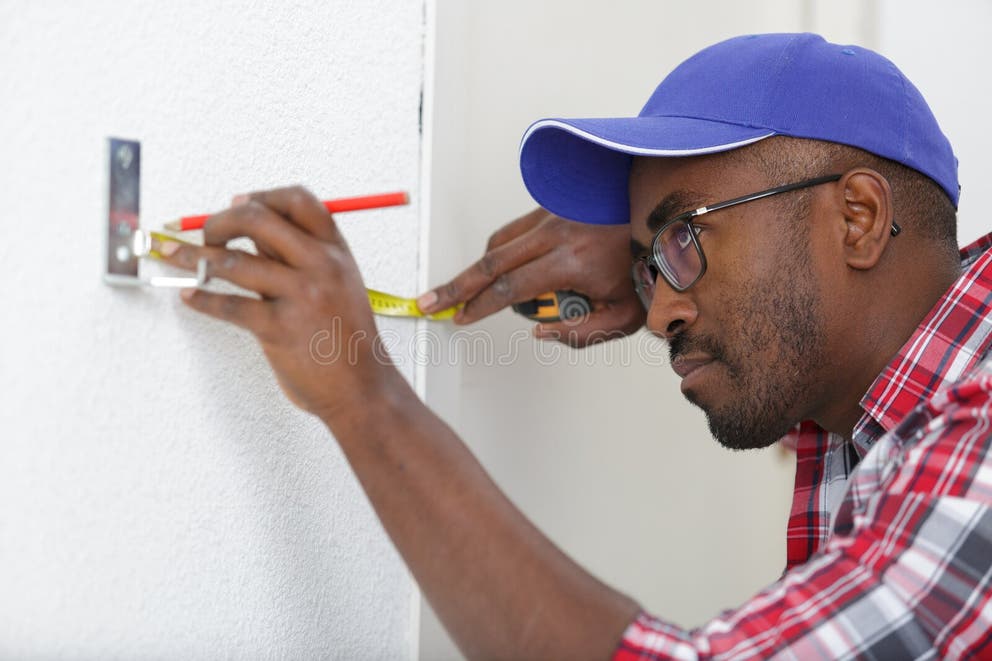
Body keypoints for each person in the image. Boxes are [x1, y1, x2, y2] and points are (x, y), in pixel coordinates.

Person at [158, 33, 992, 659]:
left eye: (684, 234)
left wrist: (366, 403)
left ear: (858, 219)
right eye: (645, 265)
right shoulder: (868, 393)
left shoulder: (977, 445)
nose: (658, 315)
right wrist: (666, 260)